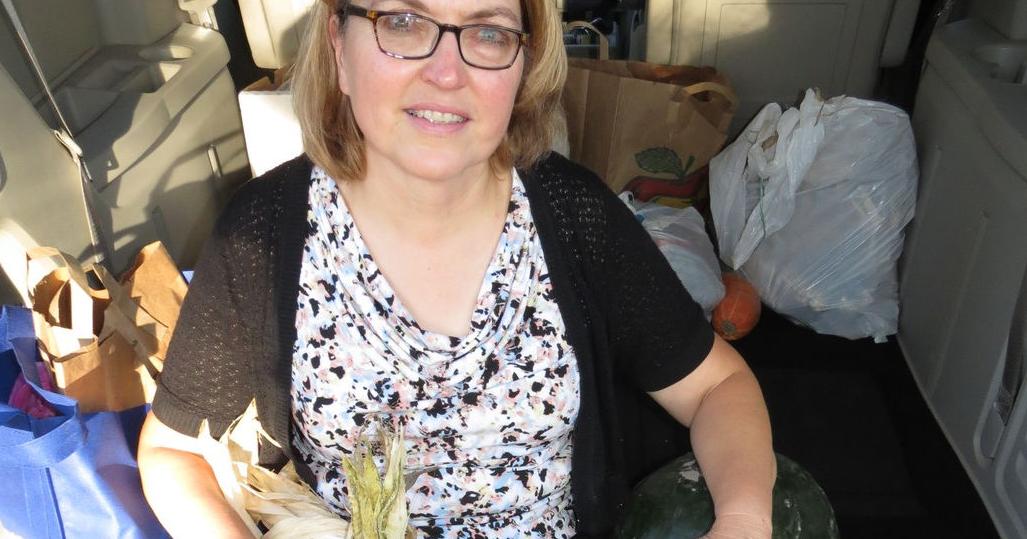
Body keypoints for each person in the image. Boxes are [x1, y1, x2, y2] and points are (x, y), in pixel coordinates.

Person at [137, 0, 775, 537]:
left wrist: (744, 518)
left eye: (489, 32)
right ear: (338, 45)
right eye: (405, 22)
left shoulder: (574, 216)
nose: (447, 72)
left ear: (524, 63)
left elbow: (717, 388)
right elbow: (174, 450)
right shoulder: (264, 232)